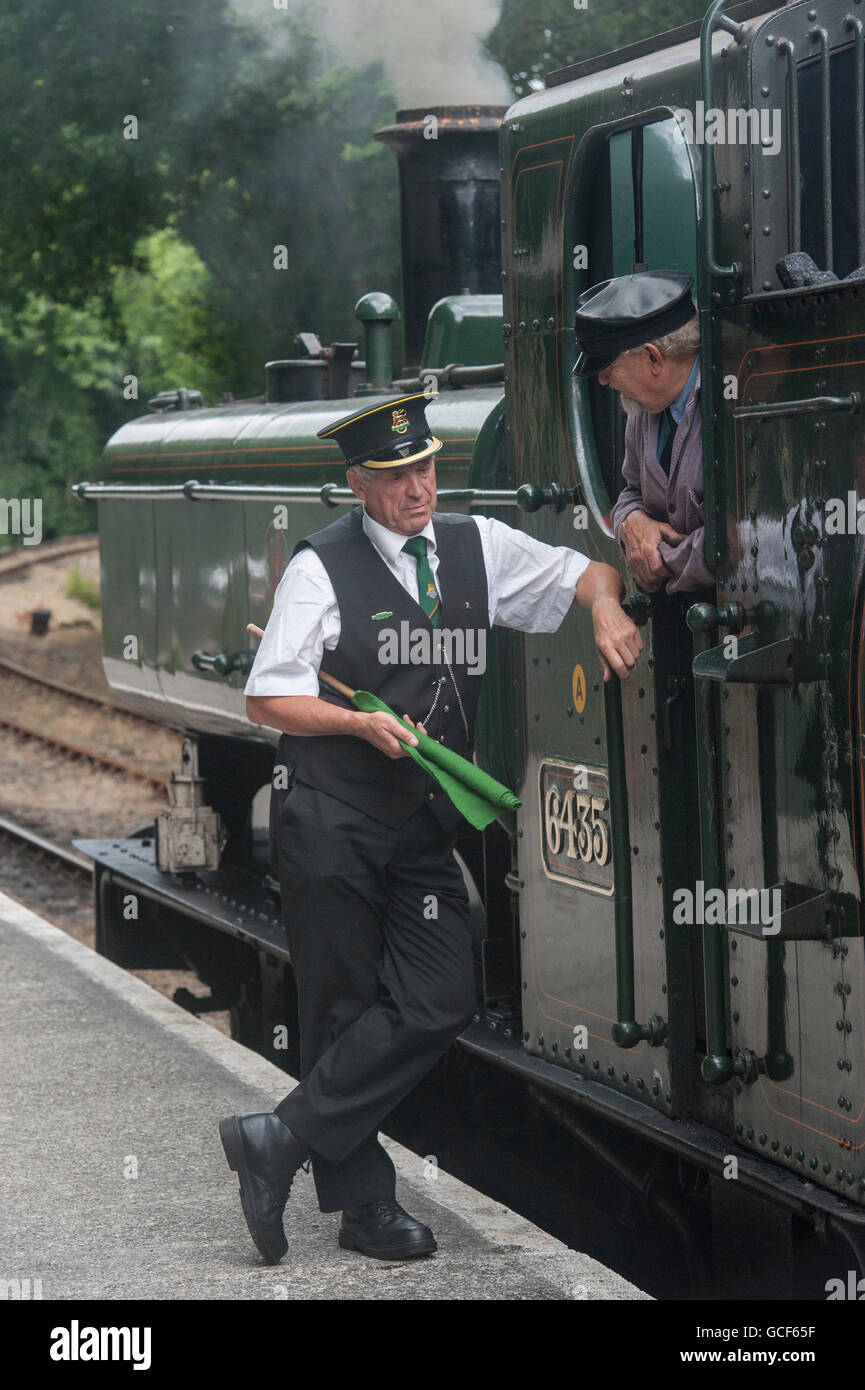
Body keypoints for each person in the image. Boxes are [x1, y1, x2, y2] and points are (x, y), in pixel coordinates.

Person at [219, 391, 643, 1265]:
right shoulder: (319, 568)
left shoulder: (475, 545)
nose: (416, 489)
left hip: (416, 818)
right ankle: (365, 1210)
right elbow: (267, 695)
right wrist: (353, 724)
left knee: (443, 993)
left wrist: (601, 604)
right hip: (331, 817)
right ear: (358, 485)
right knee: (340, 1009)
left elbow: (581, 571)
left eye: (424, 468)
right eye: (394, 476)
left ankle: (277, 1138)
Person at [573, 270, 714, 595]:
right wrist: (631, 521)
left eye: (608, 369)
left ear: (653, 357)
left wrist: (660, 560)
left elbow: (742, 537)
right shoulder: (643, 406)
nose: (603, 381)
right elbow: (632, 489)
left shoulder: (731, 397)